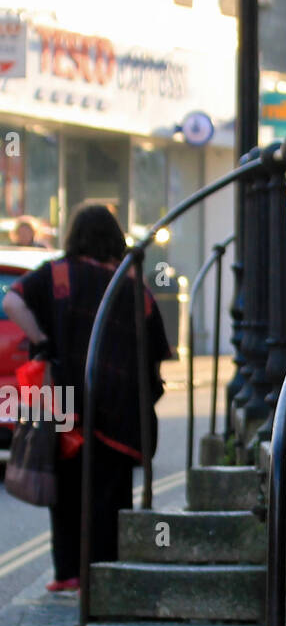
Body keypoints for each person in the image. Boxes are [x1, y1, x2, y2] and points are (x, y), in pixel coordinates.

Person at [2, 202, 172, 592]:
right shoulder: (130, 285)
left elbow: (12, 301)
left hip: (63, 395)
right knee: (110, 492)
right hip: (118, 403)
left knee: (65, 488)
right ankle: (105, 569)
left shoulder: (56, 274)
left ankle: (67, 574)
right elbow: (155, 350)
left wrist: (44, 342)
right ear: (115, 238)